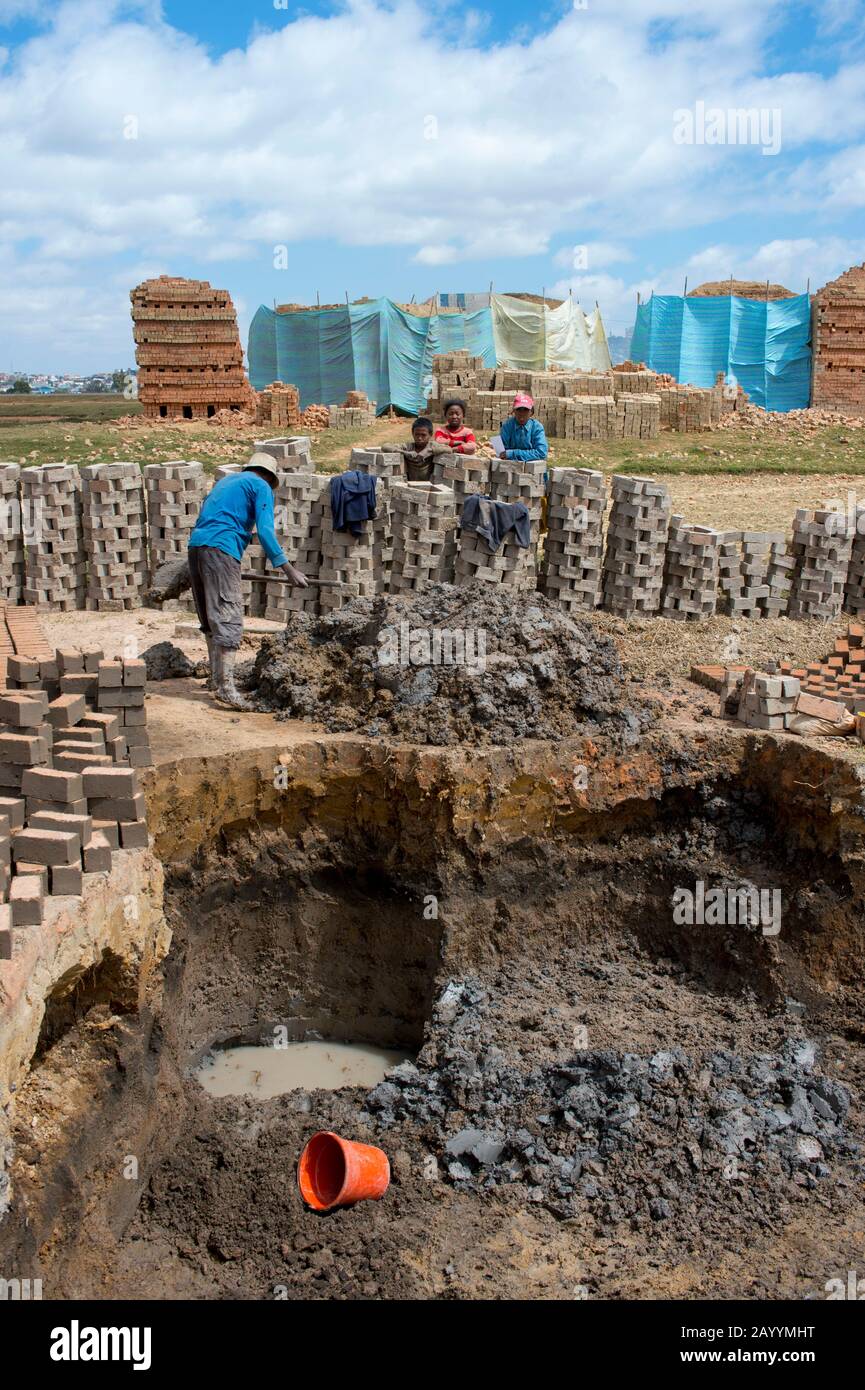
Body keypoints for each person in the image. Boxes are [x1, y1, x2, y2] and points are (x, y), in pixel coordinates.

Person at [187, 452, 308, 709]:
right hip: (221, 548)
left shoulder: (225, 482)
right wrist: (288, 570)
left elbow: (211, 519)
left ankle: (215, 680)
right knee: (229, 616)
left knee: (210, 617)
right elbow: (265, 530)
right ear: (269, 475)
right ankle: (226, 688)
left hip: (197, 545)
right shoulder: (260, 486)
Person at [497, 392, 548, 463]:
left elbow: (541, 452)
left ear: (531, 412)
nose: (522, 413)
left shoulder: (537, 427)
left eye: (526, 410)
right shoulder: (507, 426)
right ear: (514, 411)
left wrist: (513, 453)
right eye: (519, 409)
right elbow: (501, 452)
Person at [397, 417, 449, 482]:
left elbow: (449, 449)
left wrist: (430, 451)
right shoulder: (408, 447)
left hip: (428, 485)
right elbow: (386, 447)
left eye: (423, 435)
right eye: (417, 434)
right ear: (412, 433)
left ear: (430, 434)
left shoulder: (432, 446)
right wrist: (404, 452)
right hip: (410, 484)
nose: (419, 438)